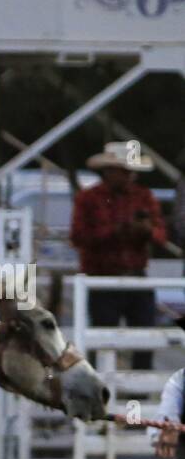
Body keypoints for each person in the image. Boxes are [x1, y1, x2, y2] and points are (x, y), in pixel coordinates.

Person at [71, 141, 167, 371]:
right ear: (108, 171)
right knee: (101, 338)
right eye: (122, 171)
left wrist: (145, 231)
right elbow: (78, 237)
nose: (127, 176)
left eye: (129, 171)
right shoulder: (89, 198)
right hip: (102, 276)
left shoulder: (144, 196)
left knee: (145, 337)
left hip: (135, 275)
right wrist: (116, 231)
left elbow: (161, 235)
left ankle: (139, 392)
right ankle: (101, 387)